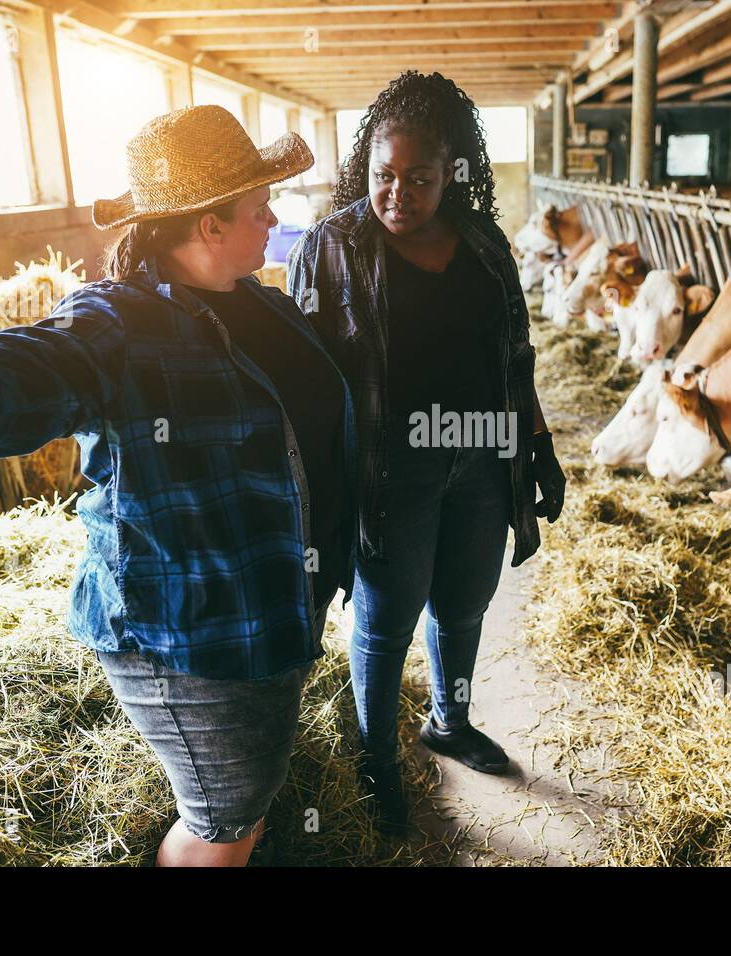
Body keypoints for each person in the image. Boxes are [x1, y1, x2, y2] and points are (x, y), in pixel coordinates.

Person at [0, 105, 355, 867]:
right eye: (258, 203)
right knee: (221, 820)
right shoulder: (119, 325)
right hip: (192, 633)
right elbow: (26, 368)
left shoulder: (255, 300)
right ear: (207, 224)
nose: (273, 216)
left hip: (271, 606)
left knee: (246, 798)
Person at [288, 71, 566, 832]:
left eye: (419, 178)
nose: (399, 195)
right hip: (389, 472)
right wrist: (318, 489)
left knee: (464, 604)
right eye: (384, 176)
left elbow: (515, 355)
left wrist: (537, 447)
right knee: (384, 620)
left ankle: (450, 719)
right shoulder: (334, 247)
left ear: (453, 174)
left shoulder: (482, 245)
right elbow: (306, 376)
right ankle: (377, 761)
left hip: (481, 459)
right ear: (366, 170)